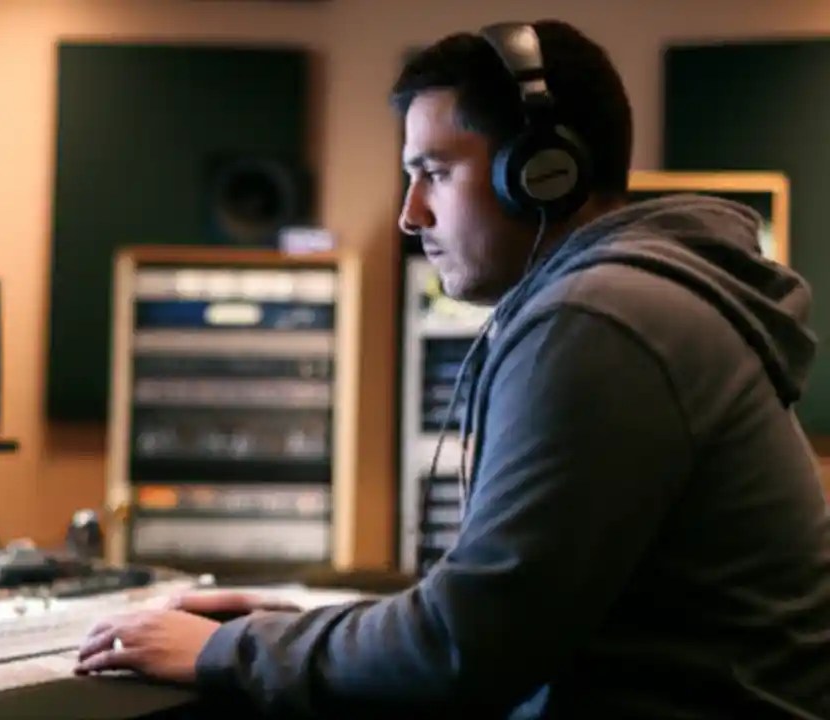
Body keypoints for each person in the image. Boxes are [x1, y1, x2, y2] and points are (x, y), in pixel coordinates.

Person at [76, 19, 830, 719]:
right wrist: (297, 629)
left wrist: (228, 651)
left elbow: (464, 650)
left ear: (540, 173)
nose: (411, 215)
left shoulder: (600, 318)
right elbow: (493, 619)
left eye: (433, 172)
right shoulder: (630, 301)